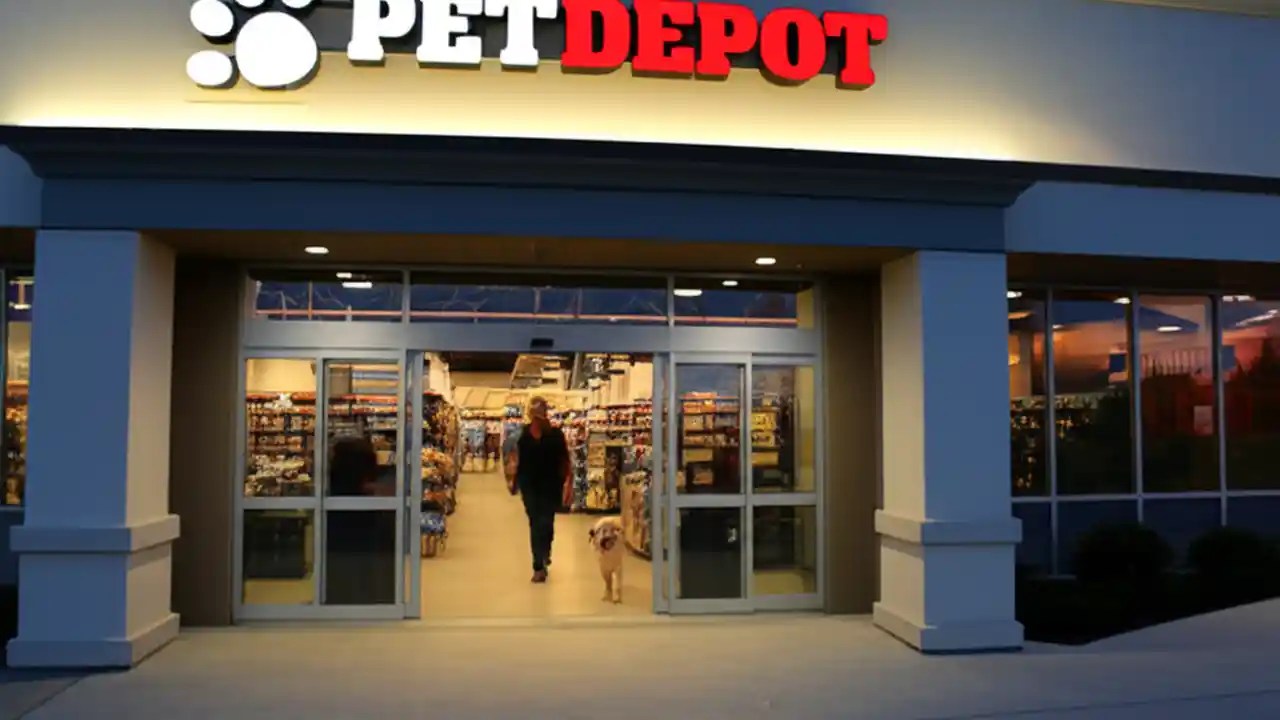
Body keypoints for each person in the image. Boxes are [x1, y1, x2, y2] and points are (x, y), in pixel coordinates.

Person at [506, 397, 571, 583]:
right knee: (535, 523)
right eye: (534, 413)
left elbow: (565, 461)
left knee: (547, 523)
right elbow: (514, 460)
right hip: (529, 486)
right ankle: (538, 566)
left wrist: (569, 484)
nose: (536, 417)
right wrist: (512, 481)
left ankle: (545, 552)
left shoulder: (556, 435)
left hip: (551, 485)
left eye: (539, 413)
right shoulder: (522, 435)